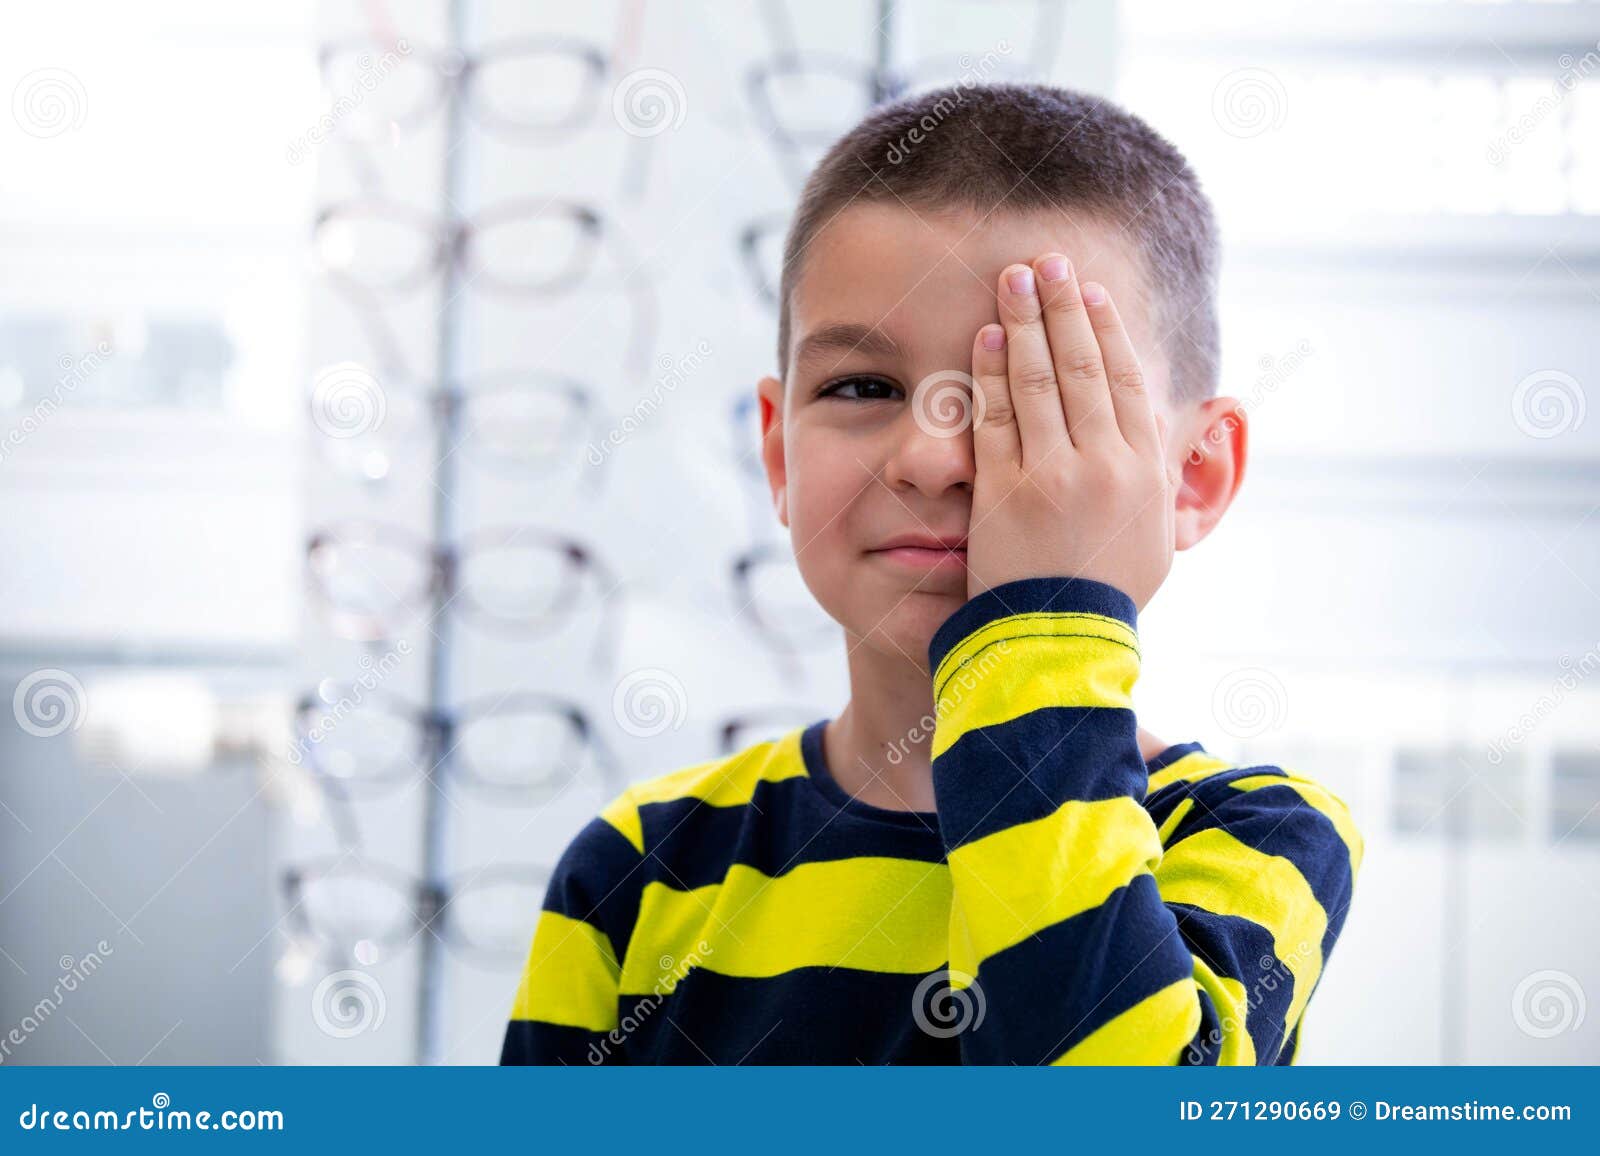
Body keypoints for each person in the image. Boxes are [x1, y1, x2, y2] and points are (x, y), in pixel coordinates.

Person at [500, 83, 1363, 1065]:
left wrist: (1042, 624)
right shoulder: (637, 872)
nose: (931, 457)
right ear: (778, 454)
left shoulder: (1249, 839)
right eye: (861, 387)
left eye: (1035, 398)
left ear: (1193, 475)